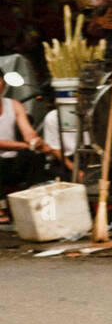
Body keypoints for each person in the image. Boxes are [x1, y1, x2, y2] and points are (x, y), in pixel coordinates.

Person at [0, 72, 62, 222]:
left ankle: (34, 200)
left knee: (37, 156)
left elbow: (27, 131)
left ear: (3, 84)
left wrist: (35, 142)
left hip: (13, 161)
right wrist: (26, 145)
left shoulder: (14, 104)